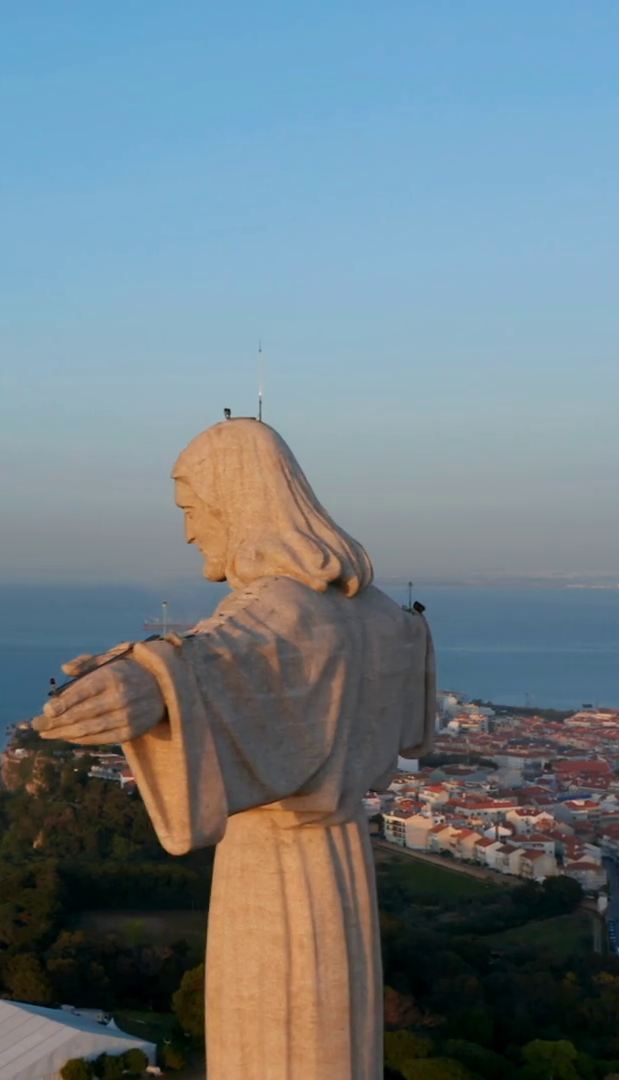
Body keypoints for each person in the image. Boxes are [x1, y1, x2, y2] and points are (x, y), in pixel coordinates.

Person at [33, 418, 435, 1080]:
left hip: (272, 864)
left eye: (192, 509)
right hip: (342, 860)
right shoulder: (381, 612)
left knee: (266, 1034)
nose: (190, 531)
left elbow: (234, 655)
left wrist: (146, 683)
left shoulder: (282, 605)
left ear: (237, 501)